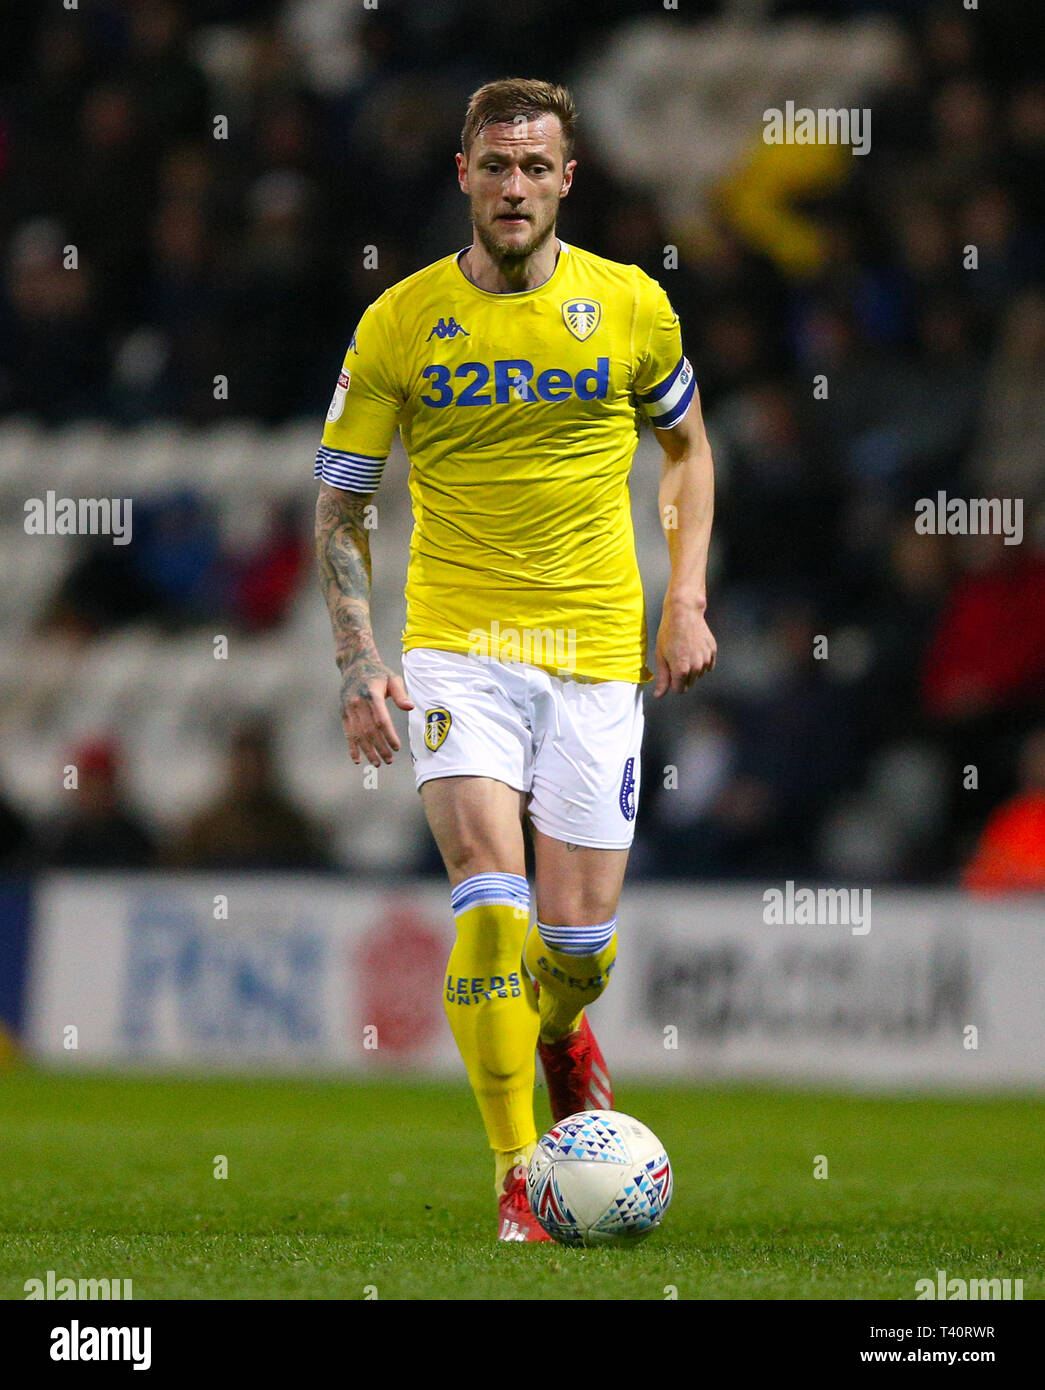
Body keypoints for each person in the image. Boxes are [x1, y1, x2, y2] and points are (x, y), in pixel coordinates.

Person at [314, 78, 716, 1241]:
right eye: (495, 166)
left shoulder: (631, 307)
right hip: (461, 652)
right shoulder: (400, 321)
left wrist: (683, 596)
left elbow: (688, 452)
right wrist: (359, 658)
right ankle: (517, 1177)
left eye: (536, 168)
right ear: (463, 175)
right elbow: (341, 506)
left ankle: (560, 1027)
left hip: (596, 656)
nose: (514, 187)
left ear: (566, 182)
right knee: (491, 906)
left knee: (575, 951)